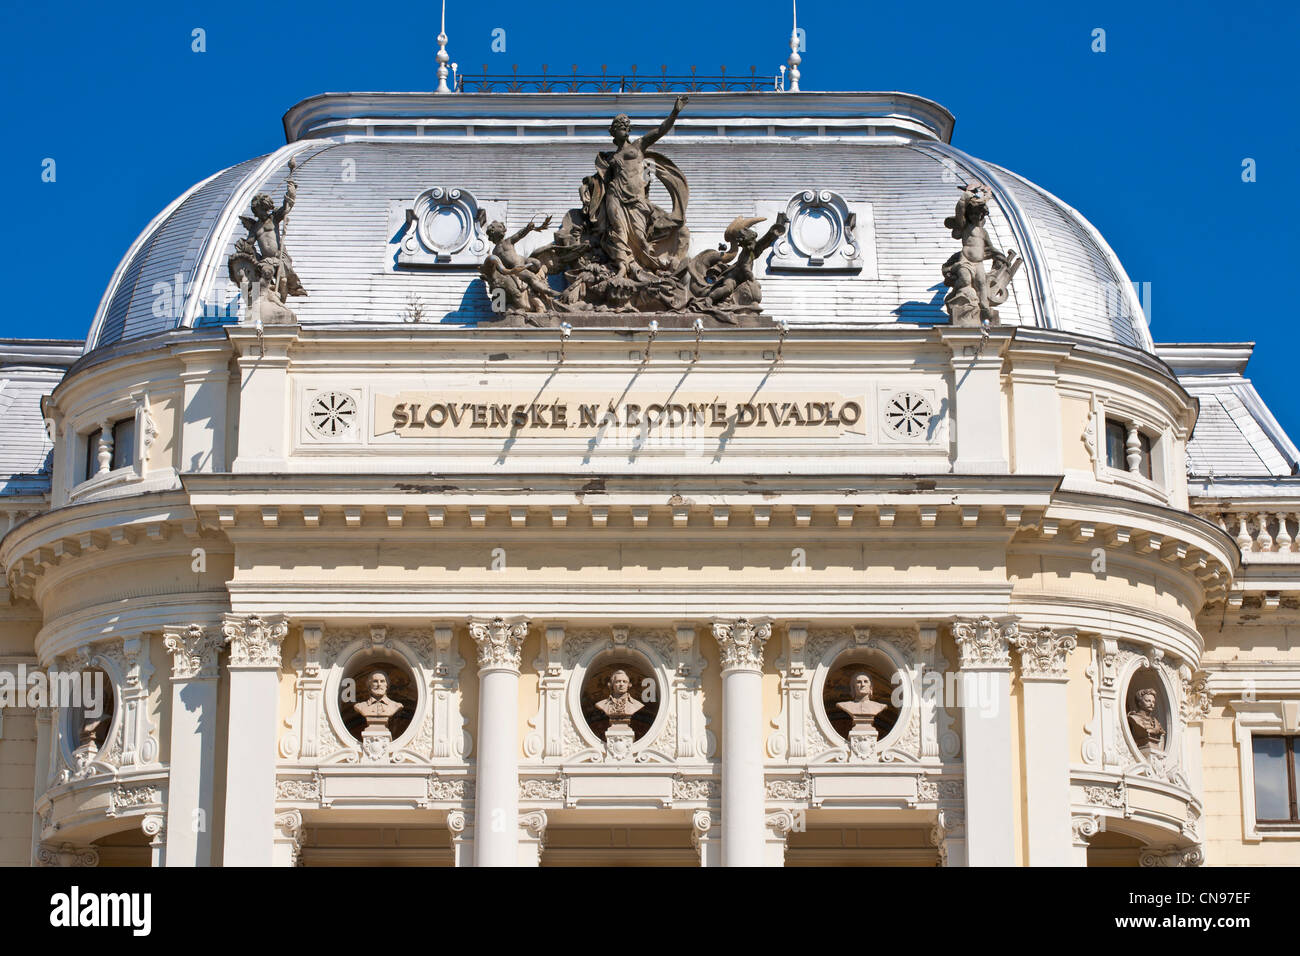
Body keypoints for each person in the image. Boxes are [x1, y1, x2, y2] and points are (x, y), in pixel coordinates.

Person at [595, 97, 688, 277]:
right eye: (619, 125)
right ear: (612, 132)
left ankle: (649, 266)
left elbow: (661, 130)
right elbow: (602, 183)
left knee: (639, 236)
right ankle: (623, 266)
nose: (623, 126)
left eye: (625, 125)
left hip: (636, 199)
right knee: (618, 231)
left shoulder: (638, 146)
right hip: (615, 196)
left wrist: (675, 112)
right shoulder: (610, 157)